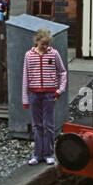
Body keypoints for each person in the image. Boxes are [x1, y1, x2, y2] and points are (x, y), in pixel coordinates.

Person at [22, 28, 67, 165]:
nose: (45, 46)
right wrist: (25, 98)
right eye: (43, 44)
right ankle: (37, 154)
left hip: (49, 94)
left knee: (48, 125)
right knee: (37, 125)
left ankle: (48, 153)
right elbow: (26, 76)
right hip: (34, 94)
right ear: (36, 41)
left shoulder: (54, 54)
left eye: (47, 44)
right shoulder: (29, 55)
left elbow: (62, 72)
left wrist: (60, 90)